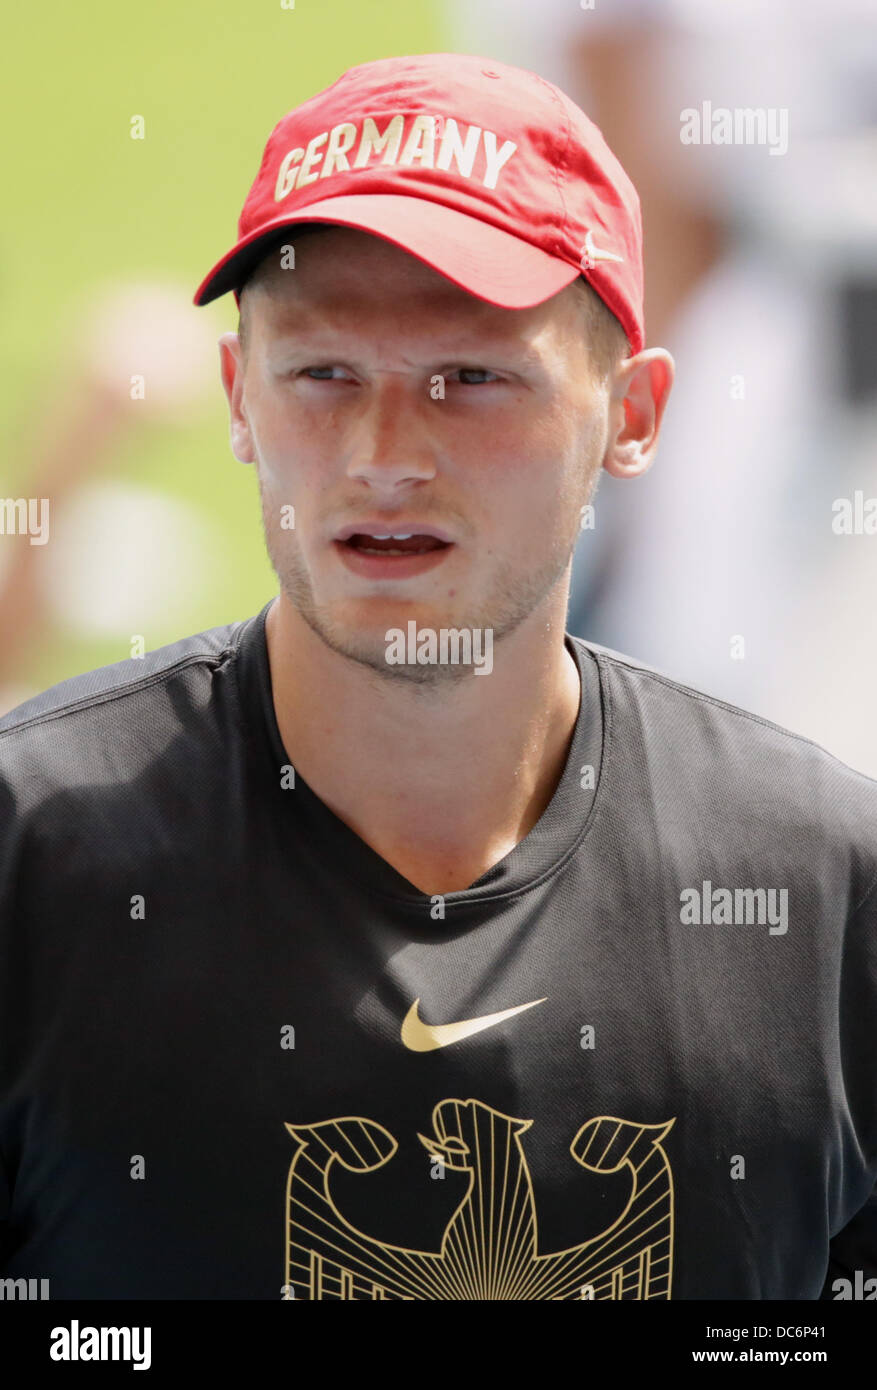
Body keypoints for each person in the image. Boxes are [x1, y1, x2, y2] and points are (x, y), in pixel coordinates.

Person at [0, 52, 874, 1302]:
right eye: (322, 374)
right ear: (239, 396)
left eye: (470, 378)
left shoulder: (824, 894)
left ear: (632, 415)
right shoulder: (28, 859)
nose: (383, 454)